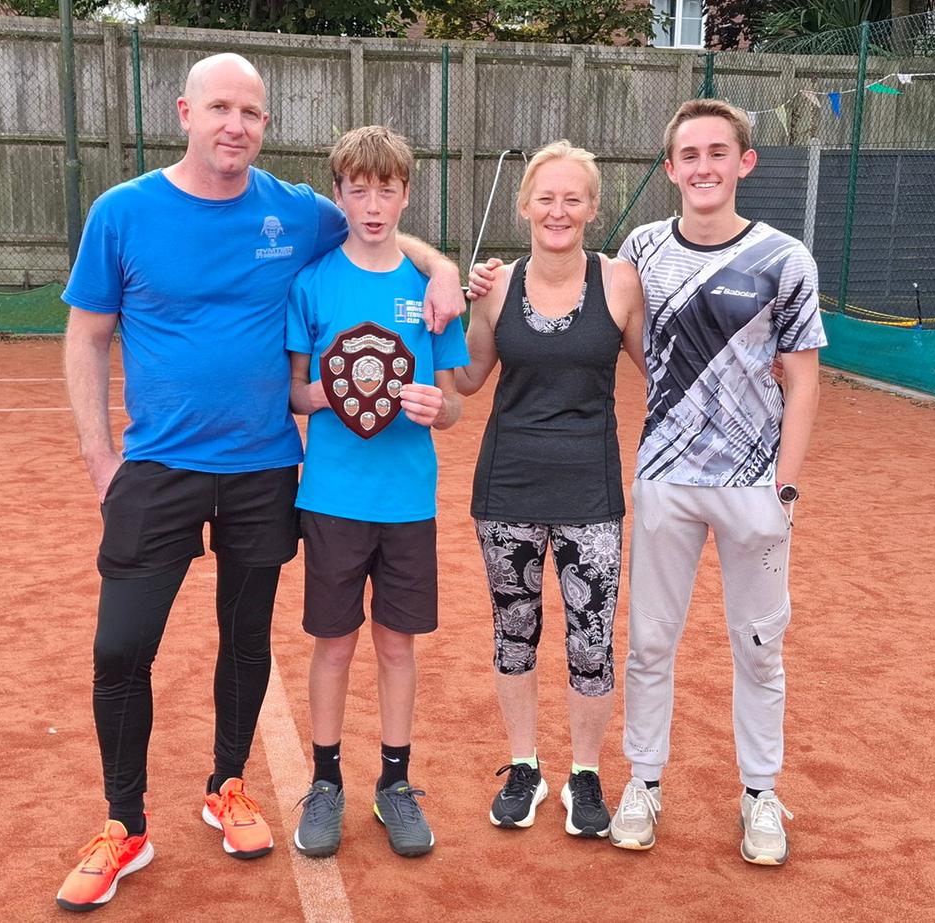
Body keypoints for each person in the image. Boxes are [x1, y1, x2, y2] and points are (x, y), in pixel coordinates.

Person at [55, 54, 465, 913]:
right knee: (120, 648)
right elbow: (87, 336)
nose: (234, 123)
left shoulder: (293, 211)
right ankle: (122, 823)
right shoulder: (122, 212)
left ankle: (227, 786)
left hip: (264, 470)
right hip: (157, 468)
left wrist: (446, 271)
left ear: (265, 124)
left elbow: (376, 224)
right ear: (185, 113)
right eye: (218, 108)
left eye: (250, 110)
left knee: (246, 639)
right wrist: (101, 458)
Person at [605, 99, 824, 865]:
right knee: (650, 641)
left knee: (760, 645)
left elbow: (804, 382)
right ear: (671, 169)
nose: (703, 167)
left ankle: (760, 793)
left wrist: (783, 490)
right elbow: (628, 335)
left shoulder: (785, 259)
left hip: (752, 487)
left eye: (717, 153)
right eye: (688, 155)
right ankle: (644, 783)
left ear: (744, 163)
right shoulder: (639, 247)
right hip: (664, 478)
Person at [451, 141, 645, 839]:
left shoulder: (621, 281)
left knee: (592, 640)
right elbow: (470, 379)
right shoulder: (498, 284)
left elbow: (661, 373)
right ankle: (524, 764)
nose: (558, 210)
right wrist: (448, 317)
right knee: (515, 633)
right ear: (524, 205)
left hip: (590, 490)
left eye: (573, 198)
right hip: (507, 487)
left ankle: (585, 773)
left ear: (592, 208)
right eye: (546, 197)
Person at [284, 125, 468, 860]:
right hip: (331, 497)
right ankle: (325, 783)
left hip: (407, 501)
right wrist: (327, 395)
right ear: (338, 195)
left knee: (397, 644)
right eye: (357, 189)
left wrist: (436, 407)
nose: (371, 203)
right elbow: (295, 393)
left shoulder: (428, 288)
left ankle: (394, 783)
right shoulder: (313, 282)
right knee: (334, 644)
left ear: (405, 194)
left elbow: (453, 403)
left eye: (385, 189)